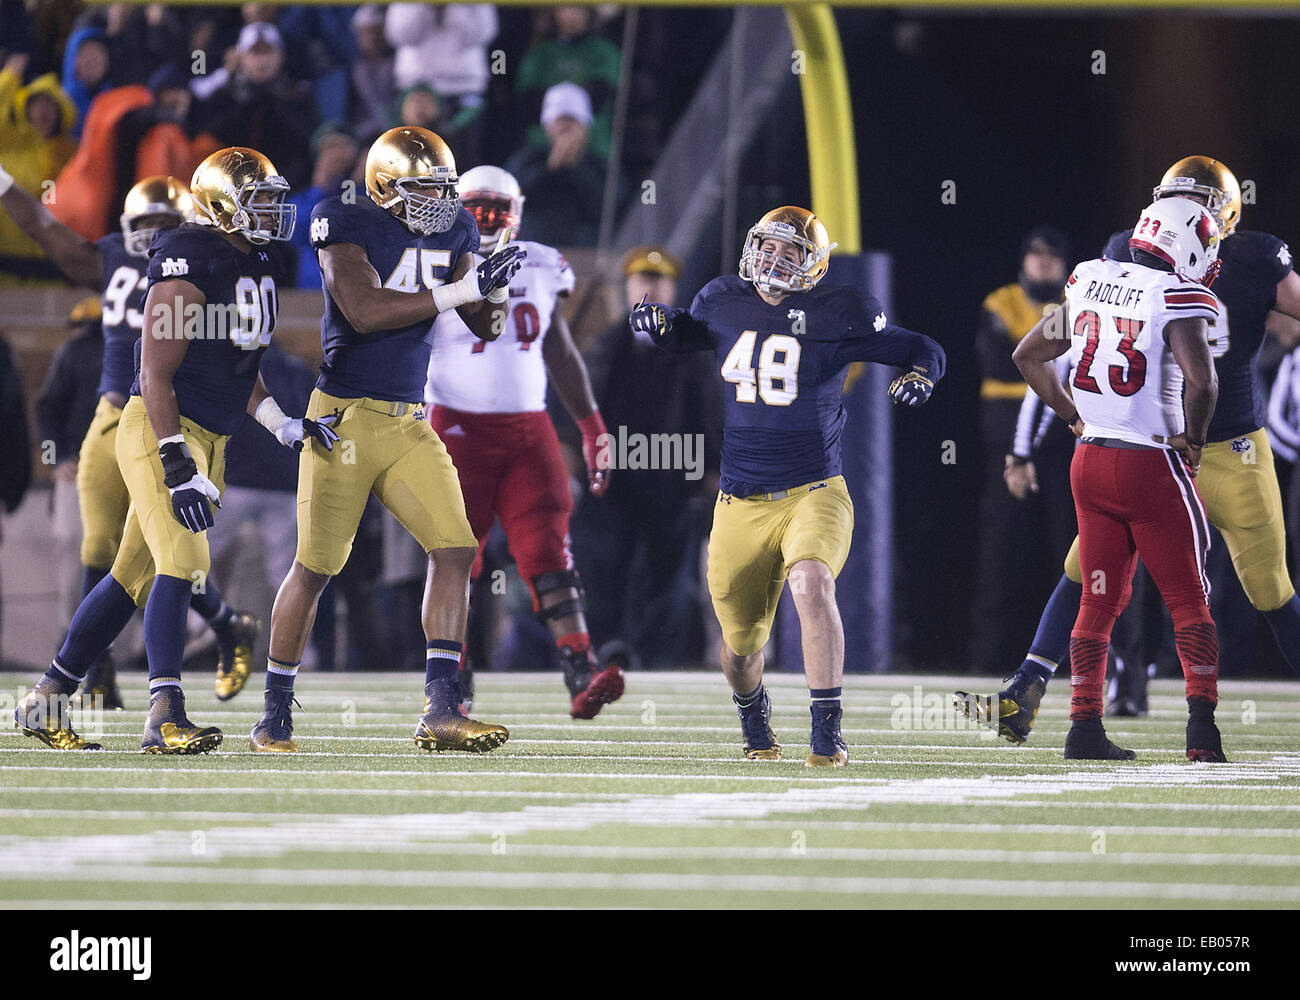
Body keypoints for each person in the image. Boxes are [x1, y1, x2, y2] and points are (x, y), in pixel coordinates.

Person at [957, 156, 1300, 743]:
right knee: (1249, 586)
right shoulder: (1253, 256)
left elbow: (1056, 341)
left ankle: (1038, 695)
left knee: (1097, 576)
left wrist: (1073, 416)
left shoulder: (1126, 255)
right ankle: (1057, 699)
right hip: (1201, 449)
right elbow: (1200, 376)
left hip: (1161, 448)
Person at [12, 146, 324, 753]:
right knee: (182, 565)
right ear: (220, 205)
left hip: (211, 435)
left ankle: (45, 699)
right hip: (162, 427)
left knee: (129, 576)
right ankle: (165, 712)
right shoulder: (191, 260)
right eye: (257, 200)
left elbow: (242, 367)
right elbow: (153, 372)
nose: (271, 211)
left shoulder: (256, 261)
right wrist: (178, 461)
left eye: (271, 200)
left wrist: (280, 422)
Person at [631, 206, 945, 765]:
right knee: (739, 650)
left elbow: (922, 346)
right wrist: (656, 323)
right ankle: (755, 718)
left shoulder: (838, 314)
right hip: (738, 501)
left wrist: (921, 375)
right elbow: (684, 334)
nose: (776, 259)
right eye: (768, 247)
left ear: (813, 264)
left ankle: (827, 736)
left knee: (811, 583)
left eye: (791, 251)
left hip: (814, 489)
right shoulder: (723, 298)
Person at [252, 126, 525, 754]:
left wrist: (495, 279)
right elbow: (365, 311)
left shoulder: (456, 229)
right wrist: (462, 287)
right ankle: (274, 711)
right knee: (317, 567)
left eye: (442, 188)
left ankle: (442, 706)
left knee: (456, 548)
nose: (438, 201)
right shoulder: (344, 221)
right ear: (383, 186)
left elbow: (484, 323)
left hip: (408, 421)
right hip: (343, 418)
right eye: (422, 188)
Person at [0, 170, 263, 707]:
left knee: (152, 557)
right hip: (122, 414)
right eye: (144, 223)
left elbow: (245, 355)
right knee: (115, 549)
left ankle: (62, 688)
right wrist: (5, 183)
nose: (154, 232)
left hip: (186, 420)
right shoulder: (119, 261)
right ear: (125, 226)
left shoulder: (205, 259)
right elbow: (45, 228)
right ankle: (126, 679)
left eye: (166, 221)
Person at [1011, 198, 1226, 761]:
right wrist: (1196, 443)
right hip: (1151, 464)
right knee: (1188, 598)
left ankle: (1084, 727)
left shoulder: (1088, 279)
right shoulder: (1174, 295)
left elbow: (1029, 356)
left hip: (1090, 461)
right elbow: (1202, 385)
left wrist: (1073, 417)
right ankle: (1202, 731)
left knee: (1098, 600)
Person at [426, 164, 624, 718]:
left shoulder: (539, 262)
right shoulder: (429, 260)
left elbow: (559, 351)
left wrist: (592, 427)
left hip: (527, 429)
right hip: (453, 428)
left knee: (547, 547)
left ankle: (581, 673)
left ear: (516, 212)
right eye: (475, 210)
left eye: (495, 210)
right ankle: (451, 683)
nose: (485, 221)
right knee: (454, 558)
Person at [567, 245, 721, 670]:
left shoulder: (691, 346)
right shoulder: (609, 341)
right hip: (617, 478)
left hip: (672, 476)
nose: (650, 287)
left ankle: (659, 658)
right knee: (605, 566)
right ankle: (612, 647)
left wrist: (710, 468)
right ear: (629, 285)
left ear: (672, 289)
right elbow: (588, 402)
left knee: (668, 573)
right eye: (642, 279)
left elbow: (707, 408)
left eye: (659, 280)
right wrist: (582, 461)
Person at [969, 227, 1071, 673]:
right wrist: (1048, 360)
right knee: (1002, 555)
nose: (1044, 262)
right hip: (1007, 437)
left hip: (1064, 436)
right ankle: (988, 661)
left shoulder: (1078, 301)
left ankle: (1071, 662)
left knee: (1070, 553)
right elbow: (1002, 358)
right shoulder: (1003, 301)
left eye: (1053, 255)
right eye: (1037, 254)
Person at [0, 54, 77, 278]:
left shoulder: (70, 154)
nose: (43, 111)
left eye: (49, 104)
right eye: (36, 104)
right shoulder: (10, 144)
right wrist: (10, 76)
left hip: (51, 264)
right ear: (26, 110)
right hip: (7, 259)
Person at [504, 82, 606, 247]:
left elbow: (610, 209)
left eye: (571, 123)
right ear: (547, 126)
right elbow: (509, 198)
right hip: (531, 252)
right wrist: (549, 168)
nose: (565, 131)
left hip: (585, 255)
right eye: (560, 123)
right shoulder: (529, 158)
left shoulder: (598, 165)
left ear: (585, 127)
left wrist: (576, 169)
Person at [515, 6, 620, 161]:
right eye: (564, 8)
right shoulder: (538, 54)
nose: (571, 16)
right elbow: (527, 102)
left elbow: (598, 97)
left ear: (589, 12)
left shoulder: (605, 52)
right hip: (541, 147)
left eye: (578, 8)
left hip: (593, 148)